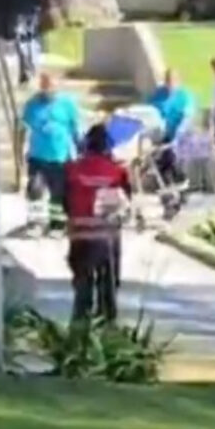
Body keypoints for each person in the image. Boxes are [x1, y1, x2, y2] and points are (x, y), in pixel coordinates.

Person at [63, 124, 131, 322]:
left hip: (79, 235)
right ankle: (107, 323)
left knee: (82, 284)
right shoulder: (117, 172)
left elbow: (65, 202)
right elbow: (126, 201)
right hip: (106, 237)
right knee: (108, 285)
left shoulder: (72, 170)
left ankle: (80, 325)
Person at [22, 73, 82, 232]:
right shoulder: (32, 104)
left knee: (58, 193)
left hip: (60, 156)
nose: (48, 90)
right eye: (45, 86)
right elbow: (24, 127)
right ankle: (35, 222)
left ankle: (57, 224)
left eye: (51, 86)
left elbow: (76, 128)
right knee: (34, 189)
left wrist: (80, 150)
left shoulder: (67, 104)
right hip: (37, 155)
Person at [146, 68, 194, 185]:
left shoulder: (185, 96)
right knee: (160, 158)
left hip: (180, 134)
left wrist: (178, 135)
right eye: (168, 82)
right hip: (163, 133)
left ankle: (180, 180)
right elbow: (149, 110)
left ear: (179, 82)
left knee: (173, 157)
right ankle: (166, 182)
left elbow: (187, 117)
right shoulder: (159, 94)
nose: (170, 85)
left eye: (173, 82)